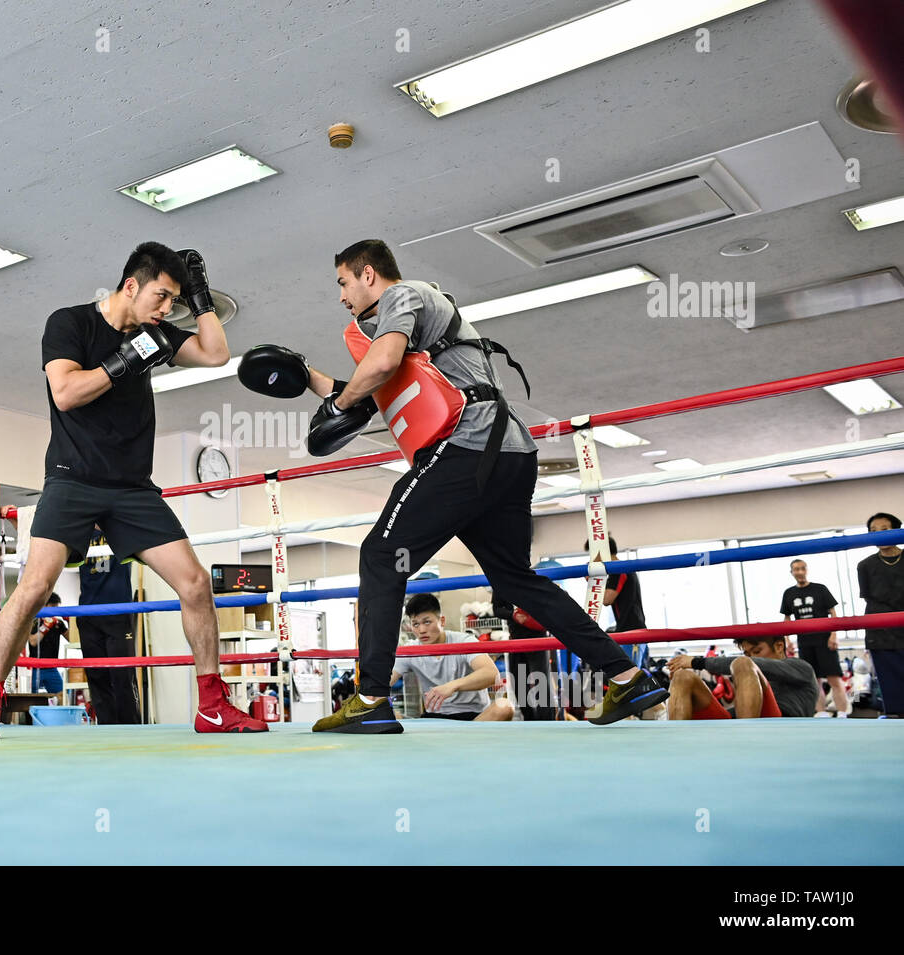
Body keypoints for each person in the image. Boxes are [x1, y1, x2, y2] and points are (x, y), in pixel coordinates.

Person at [240, 240, 667, 732]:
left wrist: (334, 408)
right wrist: (308, 378)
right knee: (514, 580)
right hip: (508, 454)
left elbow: (376, 369)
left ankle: (372, 698)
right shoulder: (412, 338)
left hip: (467, 446)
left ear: (369, 275)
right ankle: (628, 674)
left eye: (343, 283)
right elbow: (370, 392)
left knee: (380, 557)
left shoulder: (406, 295)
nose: (341, 296)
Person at [0, 243, 266, 737]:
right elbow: (64, 393)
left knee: (195, 584)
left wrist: (202, 298)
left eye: (174, 300)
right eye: (162, 296)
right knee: (35, 588)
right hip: (72, 478)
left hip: (132, 489)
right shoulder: (70, 323)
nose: (168, 309)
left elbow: (216, 353)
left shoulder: (156, 334)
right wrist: (121, 362)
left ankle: (212, 706)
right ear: (131, 286)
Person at [391, 595, 513, 721]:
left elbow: (492, 674)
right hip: (434, 719)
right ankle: (462, 740)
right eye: (415, 624)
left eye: (427, 622)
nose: (421, 630)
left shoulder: (464, 641)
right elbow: (385, 679)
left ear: (442, 621)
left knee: (504, 706)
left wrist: (452, 686)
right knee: (384, 712)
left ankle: (459, 738)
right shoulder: (410, 649)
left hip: (473, 717)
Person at [665, 636, 817, 718]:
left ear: (779, 646)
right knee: (682, 677)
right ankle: (676, 746)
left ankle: (744, 740)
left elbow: (750, 663)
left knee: (743, 664)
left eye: (756, 651)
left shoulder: (801, 667)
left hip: (781, 727)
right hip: (744, 723)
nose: (752, 657)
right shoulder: (754, 676)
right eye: (748, 653)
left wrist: (696, 661)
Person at [77, 531, 141, 724]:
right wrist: (16, 520)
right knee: (97, 677)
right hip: (87, 613)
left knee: (122, 677)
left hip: (117, 611)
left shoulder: (119, 526)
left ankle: (131, 731)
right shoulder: (79, 529)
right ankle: (106, 729)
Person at [780, 559, 849, 716]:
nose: (800, 572)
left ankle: (843, 714)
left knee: (834, 679)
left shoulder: (820, 589)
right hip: (805, 642)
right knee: (813, 680)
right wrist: (787, 641)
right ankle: (821, 713)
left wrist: (834, 635)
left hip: (825, 640)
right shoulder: (789, 593)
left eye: (802, 568)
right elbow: (787, 619)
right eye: (796, 569)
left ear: (807, 570)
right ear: (792, 572)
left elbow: (833, 613)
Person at [857, 512, 904, 717]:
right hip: (881, 631)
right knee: (891, 683)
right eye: (873, 532)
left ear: (897, 530)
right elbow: (869, 599)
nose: (879, 535)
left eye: (884, 530)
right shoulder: (865, 565)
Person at [27, 593, 67, 698]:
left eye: (56, 607)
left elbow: (72, 639)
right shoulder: (34, 621)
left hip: (52, 668)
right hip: (35, 668)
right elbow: (33, 641)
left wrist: (71, 621)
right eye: (52, 606)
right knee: (31, 698)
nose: (55, 610)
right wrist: (46, 626)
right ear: (45, 605)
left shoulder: (58, 623)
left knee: (63, 696)